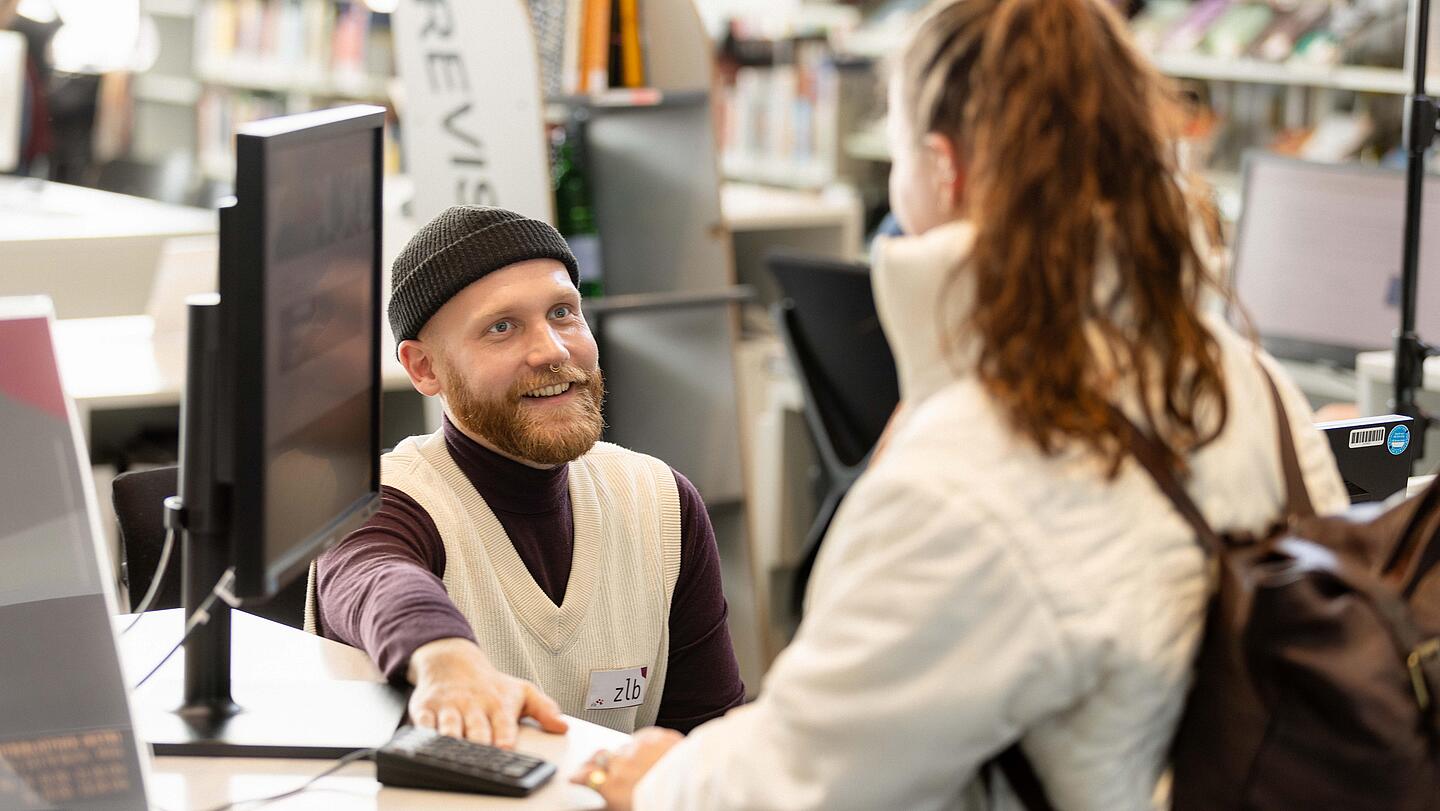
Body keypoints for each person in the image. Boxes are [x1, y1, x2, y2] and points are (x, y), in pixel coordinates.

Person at [571, 0, 1349, 808]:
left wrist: (660, 782)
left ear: (944, 169)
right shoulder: (1249, 378)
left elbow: (803, 781)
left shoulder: (972, 468)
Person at [308, 205, 745, 747]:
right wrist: (445, 656)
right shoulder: (378, 499)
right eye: (502, 327)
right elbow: (373, 577)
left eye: (563, 312)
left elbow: (705, 743)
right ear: (424, 368)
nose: (553, 350)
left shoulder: (661, 503)